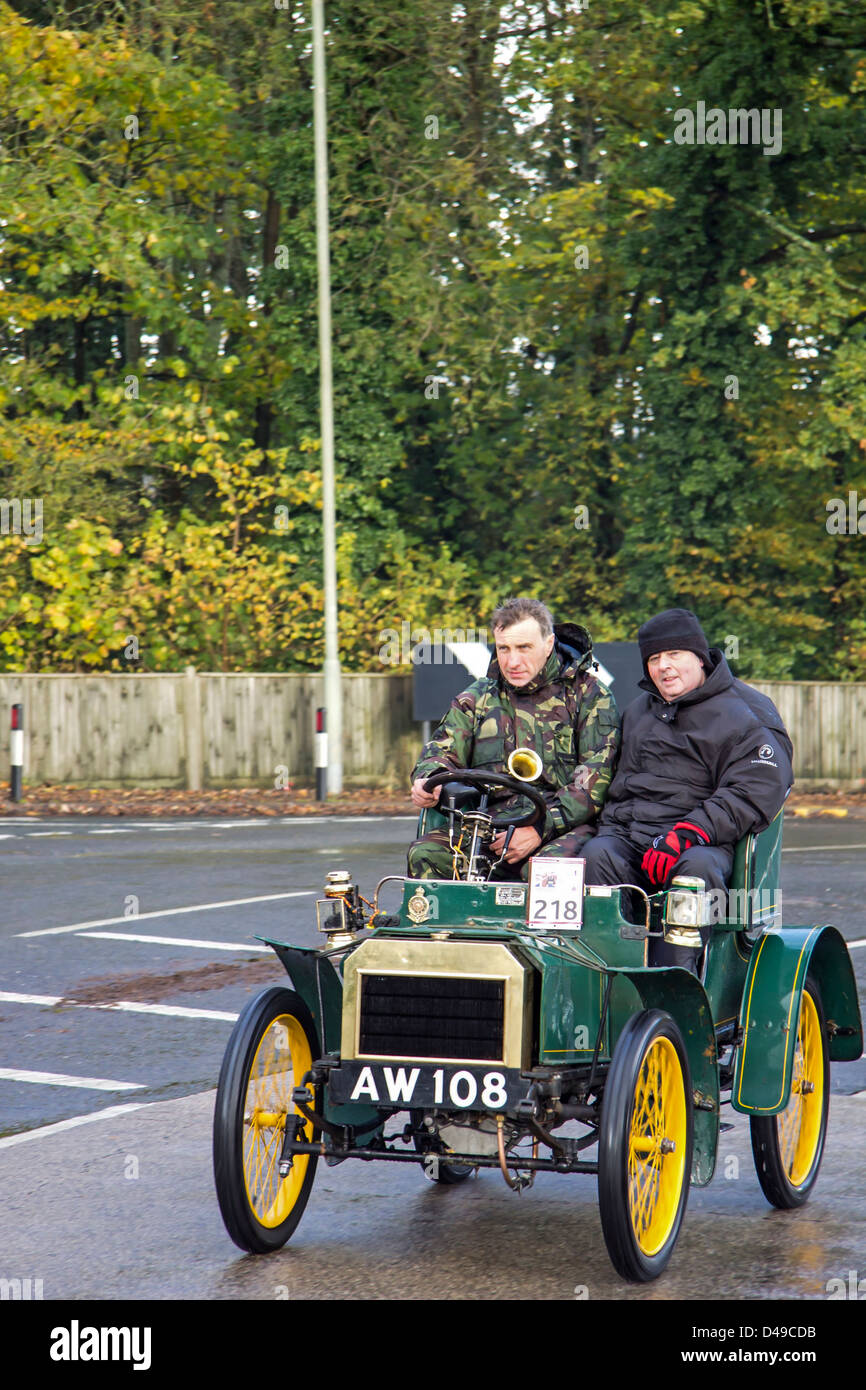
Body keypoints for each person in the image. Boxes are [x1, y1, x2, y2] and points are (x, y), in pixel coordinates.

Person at [581, 607, 793, 967]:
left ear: (699, 657)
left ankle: (677, 990)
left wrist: (685, 834)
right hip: (632, 841)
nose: (664, 666)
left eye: (674, 654)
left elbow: (756, 788)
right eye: (654, 658)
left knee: (694, 876)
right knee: (593, 857)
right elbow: (618, 788)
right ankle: (607, 983)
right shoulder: (637, 711)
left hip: (702, 845)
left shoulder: (748, 713)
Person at [407, 597, 621, 880]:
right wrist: (428, 778)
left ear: (548, 644)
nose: (512, 661)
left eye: (524, 648)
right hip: (488, 825)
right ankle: (442, 926)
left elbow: (593, 785)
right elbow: (441, 750)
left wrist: (538, 828)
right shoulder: (478, 696)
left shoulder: (590, 696)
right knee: (426, 854)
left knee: (546, 871)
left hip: (563, 829)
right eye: (504, 648)